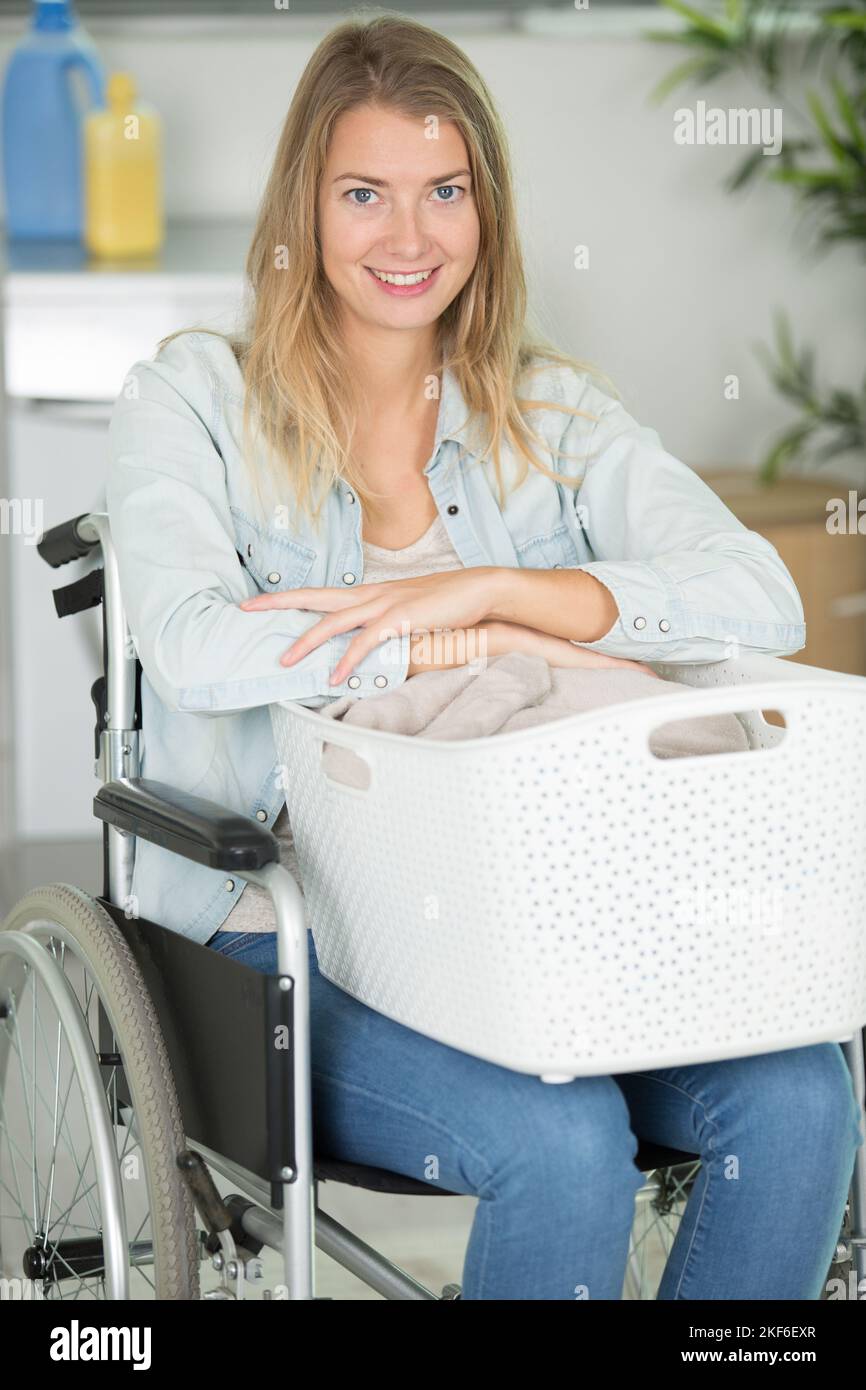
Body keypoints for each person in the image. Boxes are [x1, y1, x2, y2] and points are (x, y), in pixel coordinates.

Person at [106, 14, 861, 1300]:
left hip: (538, 907)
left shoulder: (549, 411)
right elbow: (186, 644)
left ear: (486, 209)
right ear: (306, 205)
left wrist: (509, 591)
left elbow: (753, 597)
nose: (408, 239)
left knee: (801, 1095)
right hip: (282, 930)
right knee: (561, 1145)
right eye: (364, 195)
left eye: (443, 192)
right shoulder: (194, 399)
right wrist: (428, 631)